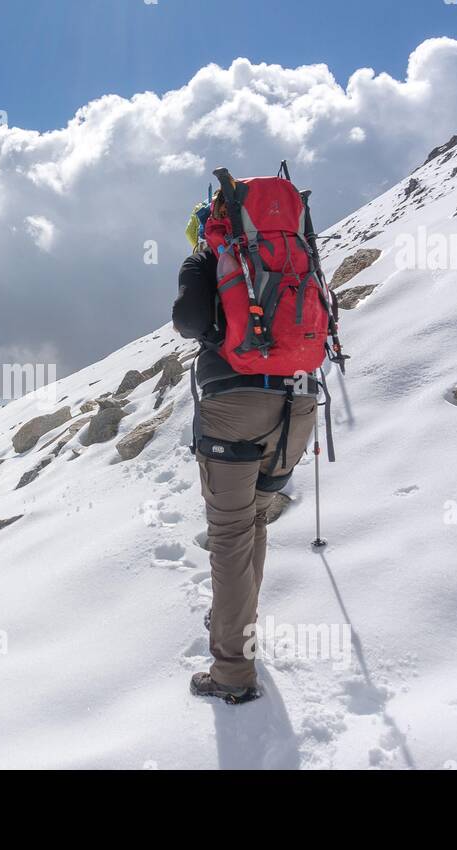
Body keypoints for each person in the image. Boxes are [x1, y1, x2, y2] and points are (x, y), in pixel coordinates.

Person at [172, 195, 320, 705]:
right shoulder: (295, 252)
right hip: (299, 402)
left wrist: (219, 331)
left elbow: (189, 321)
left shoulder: (208, 257)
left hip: (234, 407)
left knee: (232, 533)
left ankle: (233, 673)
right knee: (254, 519)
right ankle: (237, 617)